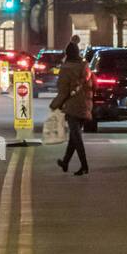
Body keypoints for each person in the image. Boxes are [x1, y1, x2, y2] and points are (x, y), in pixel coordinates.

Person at [50, 36, 90, 176]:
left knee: (76, 137)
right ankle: (66, 162)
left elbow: (63, 91)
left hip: (73, 106)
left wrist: (54, 105)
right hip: (85, 103)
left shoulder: (66, 68)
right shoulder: (84, 65)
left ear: (67, 54)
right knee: (74, 136)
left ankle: (84, 166)